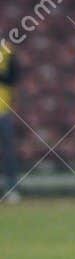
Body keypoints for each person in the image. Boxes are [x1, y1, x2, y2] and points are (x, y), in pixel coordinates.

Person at [0, 39, 18, 202]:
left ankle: (11, 188)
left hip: (3, 110)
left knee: (8, 152)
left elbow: (12, 79)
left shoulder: (7, 52)